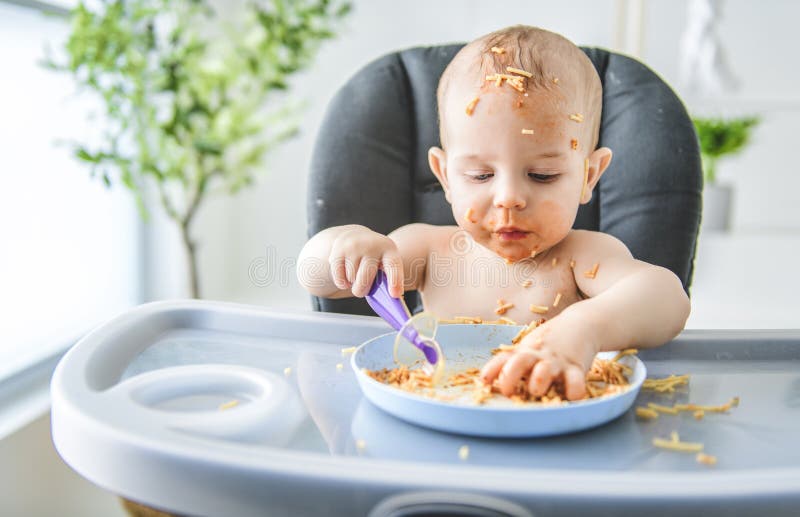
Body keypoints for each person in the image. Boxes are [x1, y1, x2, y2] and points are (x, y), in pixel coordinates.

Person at [297, 25, 690, 401]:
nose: (509, 198)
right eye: (481, 175)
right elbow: (314, 278)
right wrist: (345, 246)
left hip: (552, 423)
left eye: (542, 175)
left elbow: (668, 299)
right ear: (445, 176)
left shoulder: (585, 258)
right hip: (439, 414)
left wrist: (582, 330)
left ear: (589, 176)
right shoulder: (427, 251)